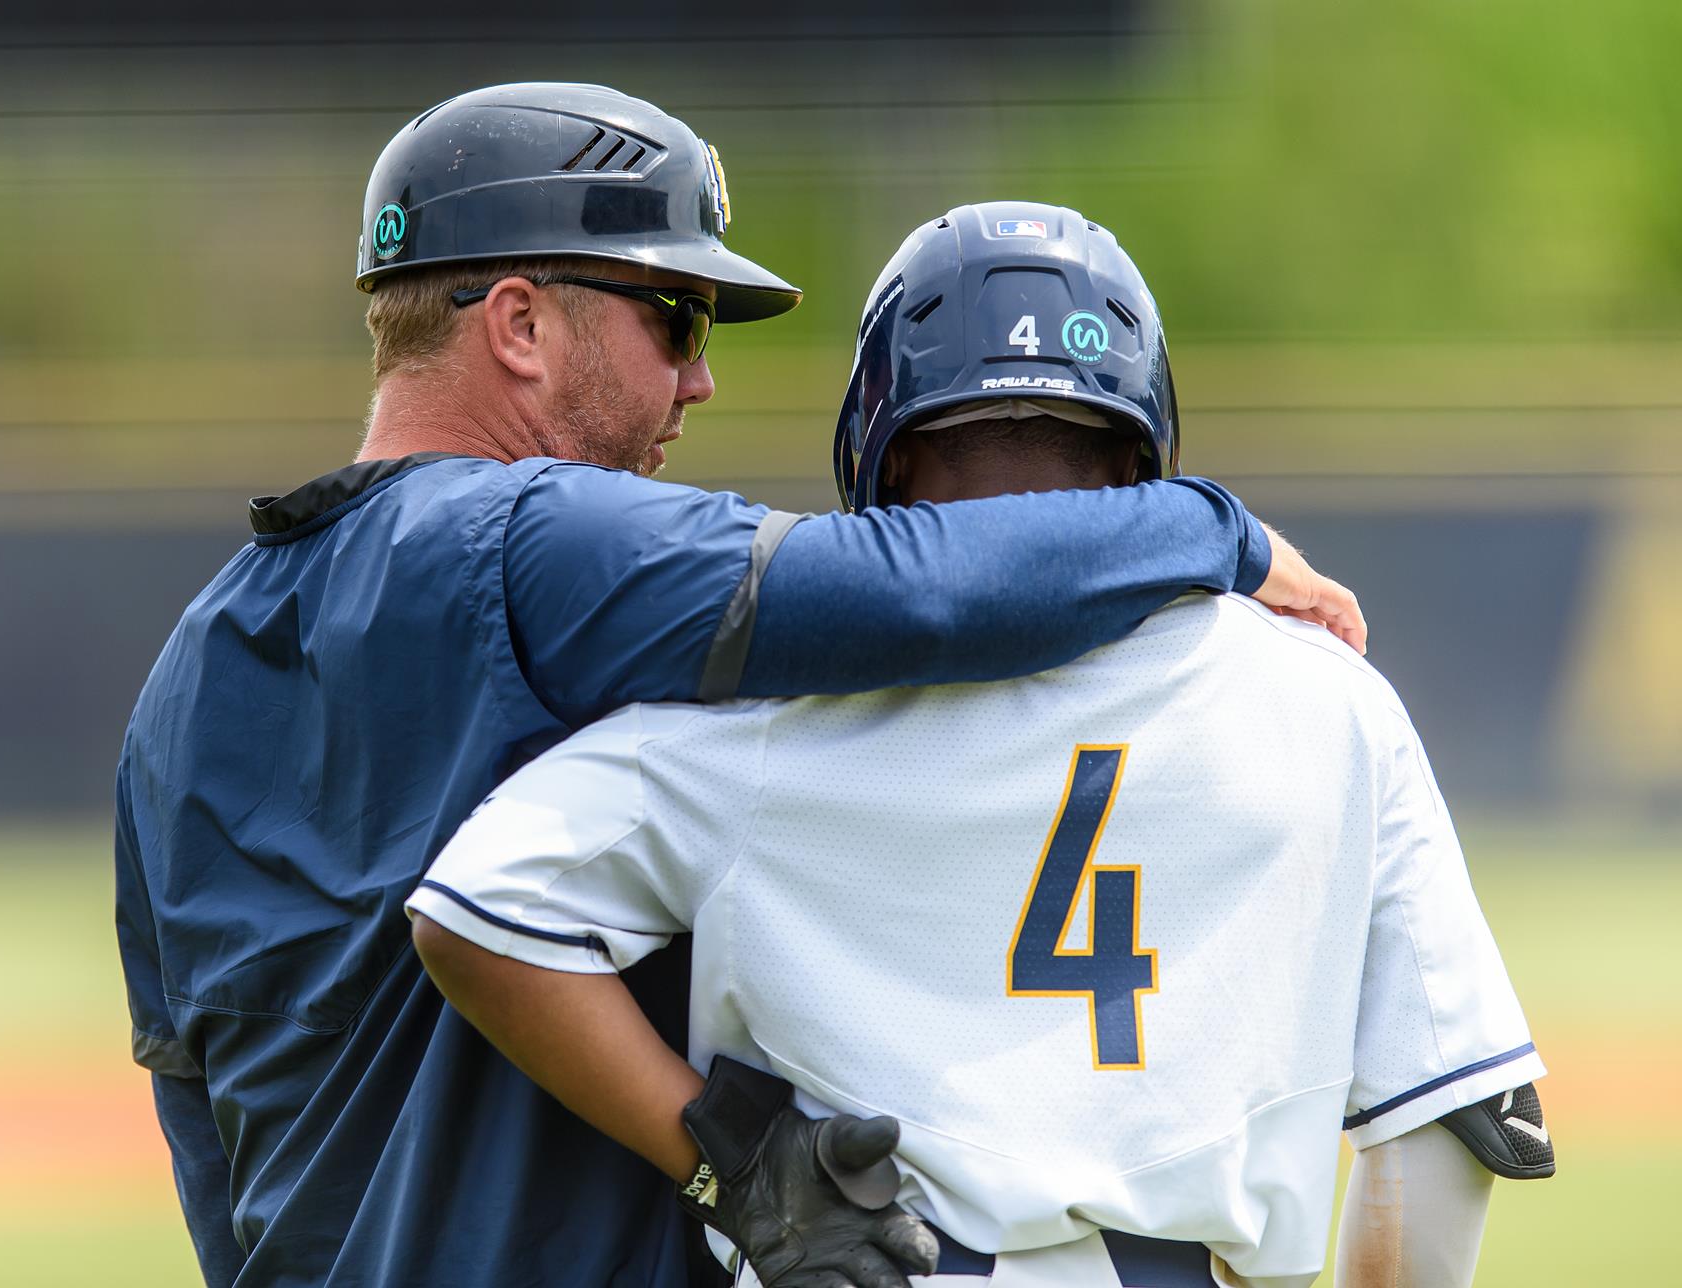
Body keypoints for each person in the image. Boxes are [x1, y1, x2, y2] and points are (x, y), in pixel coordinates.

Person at [113, 83, 1364, 1288]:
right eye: (674, 317)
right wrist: (1213, 533)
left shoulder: (184, 672)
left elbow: (196, 1109)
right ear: (519, 324)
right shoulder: (533, 539)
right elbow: (915, 591)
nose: (694, 380)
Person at [409, 201, 1549, 1288]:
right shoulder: (1329, 701)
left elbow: (475, 906)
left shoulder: (750, 722)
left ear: (880, 445)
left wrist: (731, 1160)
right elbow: (1446, 1131)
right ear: (1138, 442)